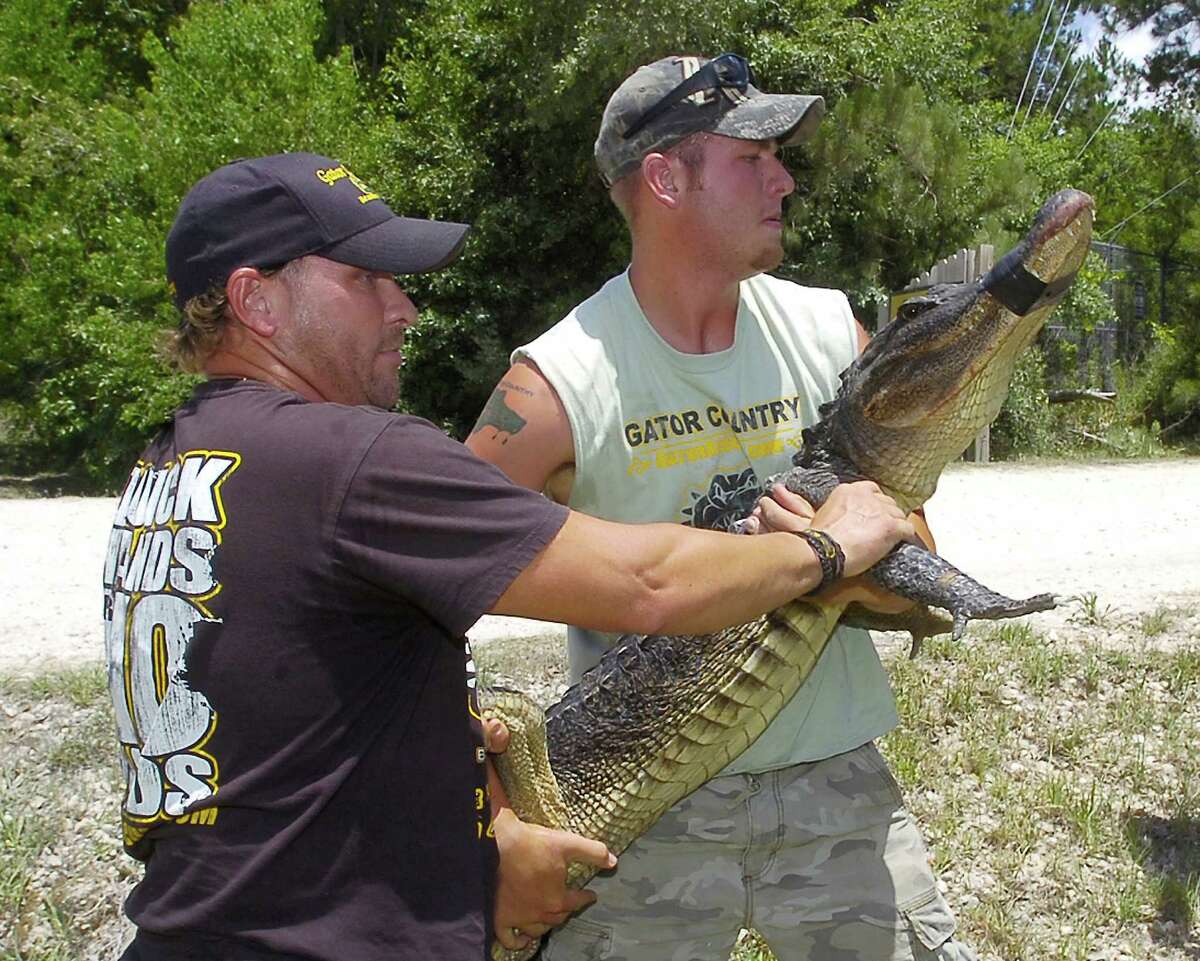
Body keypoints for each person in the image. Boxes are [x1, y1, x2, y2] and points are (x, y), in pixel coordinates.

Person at [102, 152, 914, 961]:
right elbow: (648, 583)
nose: (405, 308)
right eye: (365, 280)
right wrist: (826, 547)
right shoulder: (349, 459)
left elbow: (319, 695)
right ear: (257, 300)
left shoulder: (170, 465)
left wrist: (493, 820)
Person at [466, 56, 977, 960]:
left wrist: (839, 572)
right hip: (635, 808)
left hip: (836, 789)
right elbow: (414, 599)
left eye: (779, 157)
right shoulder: (553, 385)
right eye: (753, 158)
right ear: (666, 178)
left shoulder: (831, 333)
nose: (784, 179)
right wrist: (495, 822)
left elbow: (918, 567)